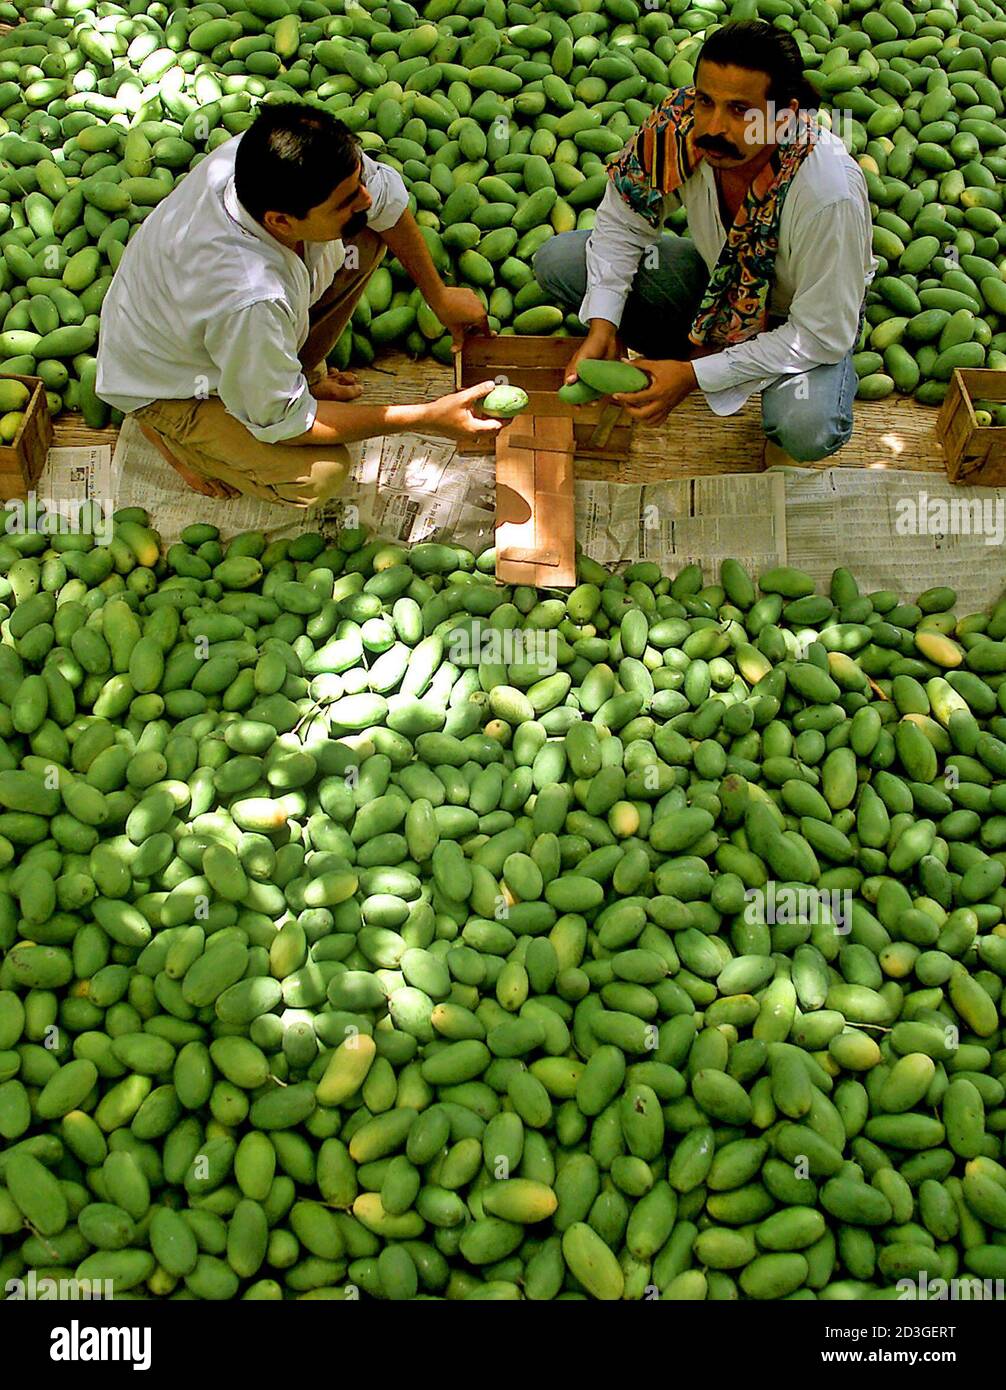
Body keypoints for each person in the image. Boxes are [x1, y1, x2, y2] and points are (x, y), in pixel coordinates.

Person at [96, 101, 501, 504]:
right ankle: (177, 434)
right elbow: (285, 425)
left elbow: (384, 203)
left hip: (223, 326)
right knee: (319, 477)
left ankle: (290, 376)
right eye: (344, 201)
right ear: (281, 222)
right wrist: (425, 416)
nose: (363, 198)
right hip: (170, 384)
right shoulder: (247, 296)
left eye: (358, 181)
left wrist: (439, 296)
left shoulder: (282, 155)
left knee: (369, 233)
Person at [533, 19, 878, 465]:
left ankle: (707, 361)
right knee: (560, 261)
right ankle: (702, 345)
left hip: (805, 318)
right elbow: (623, 220)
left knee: (804, 426)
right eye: (706, 101)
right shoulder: (677, 131)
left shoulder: (828, 194)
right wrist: (604, 325)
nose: (714, 127)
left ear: (785, 116)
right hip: (719, 283)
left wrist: (692, 377)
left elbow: (821, 334)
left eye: (740, 111)